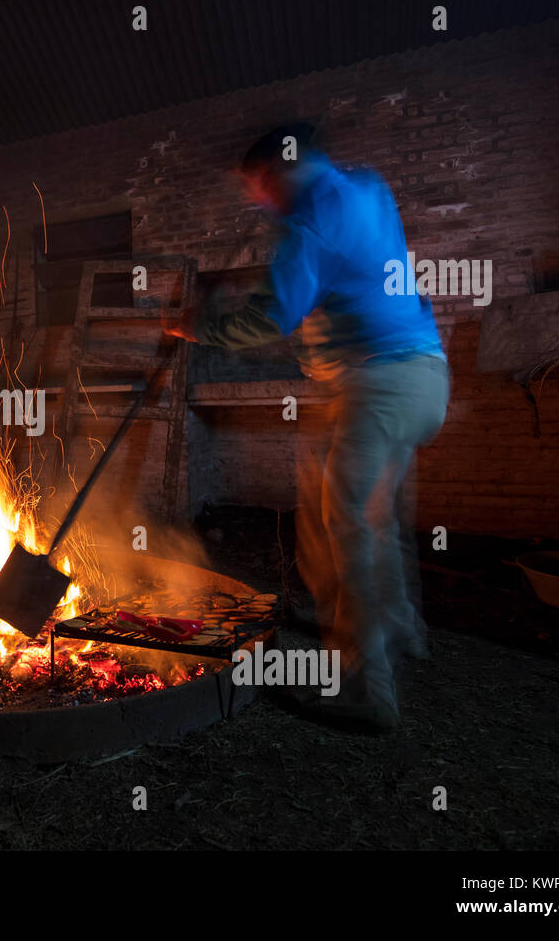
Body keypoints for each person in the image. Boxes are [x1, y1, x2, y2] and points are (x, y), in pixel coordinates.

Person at [164, 123, 450, 732]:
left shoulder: (309, 221)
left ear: (280, 169)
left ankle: (363, 689)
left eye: (258, 186)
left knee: (348, 534)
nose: (257, 201)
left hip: (377, 384)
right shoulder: (367, 190)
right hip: (423, 376)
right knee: (362, 516)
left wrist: (199, 329)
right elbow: (351, 290)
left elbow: (275, 314)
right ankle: (399, 629)